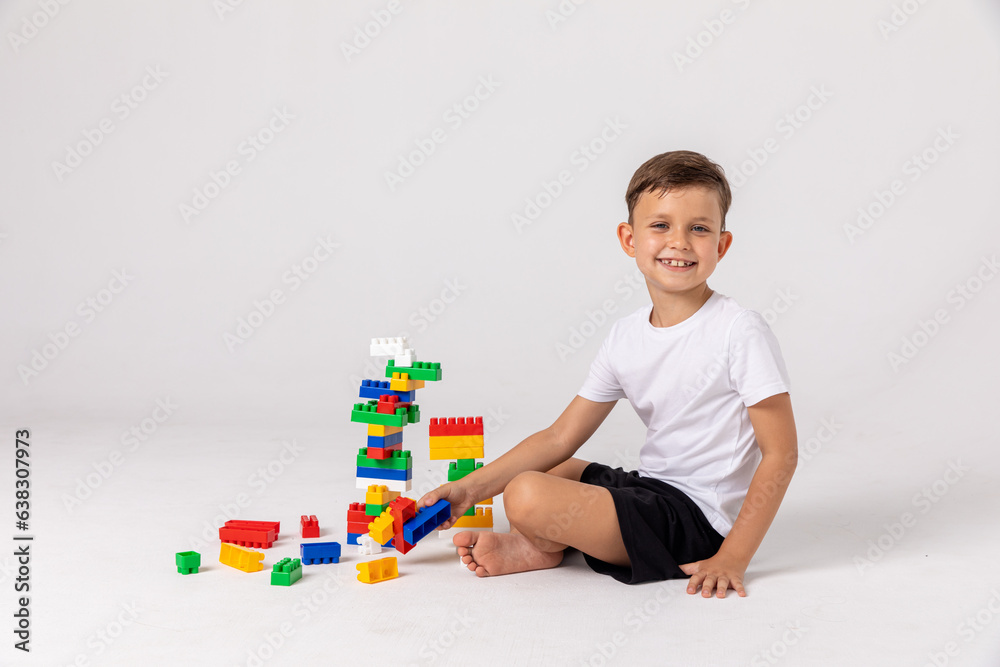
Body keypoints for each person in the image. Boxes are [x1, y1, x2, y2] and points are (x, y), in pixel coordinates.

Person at [417, 150, 797, 597]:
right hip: (653, 490)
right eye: (660, 225)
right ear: (629, 239)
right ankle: (540, 548)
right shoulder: (625, 336)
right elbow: (560, 436)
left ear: (722, 244)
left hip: (698, 521)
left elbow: (781, 454)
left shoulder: (739, 329)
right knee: (554, 467)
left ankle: (539, 542)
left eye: (699, 228)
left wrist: (733, 556)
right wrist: (467, 489)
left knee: (526, 493)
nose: (679, 241)